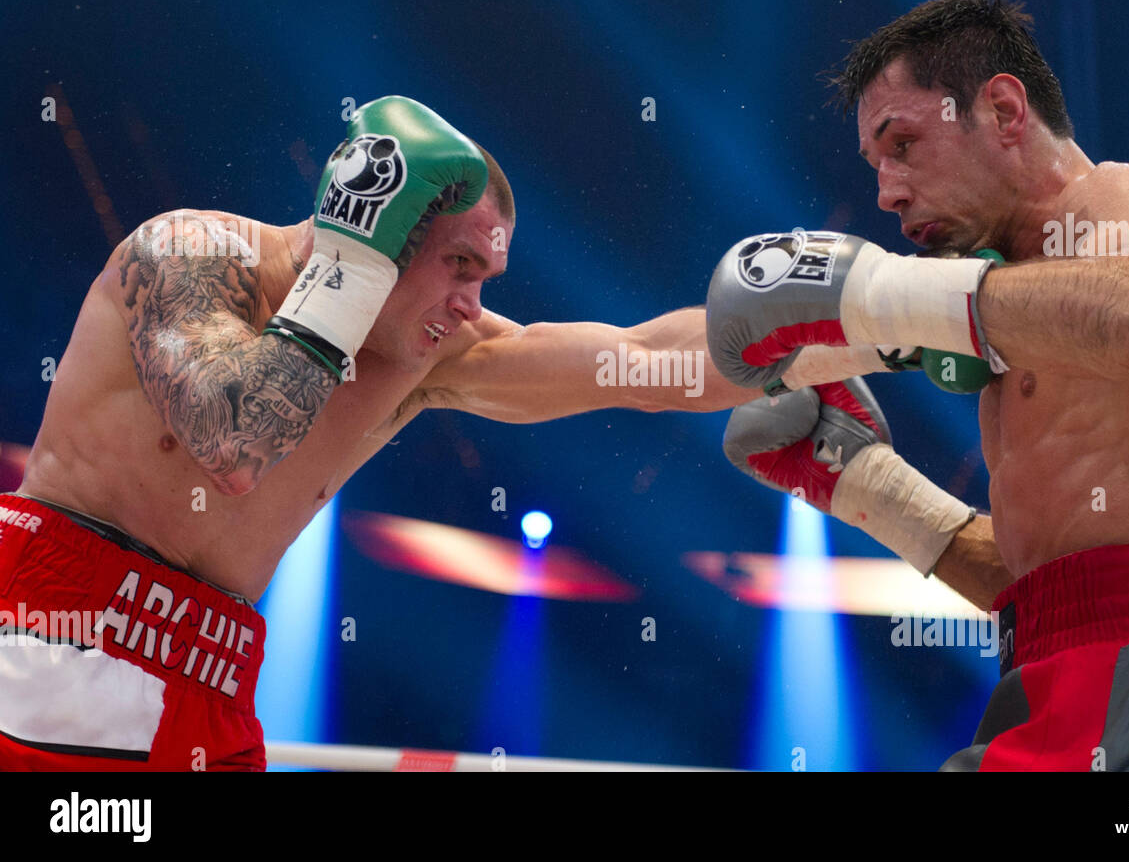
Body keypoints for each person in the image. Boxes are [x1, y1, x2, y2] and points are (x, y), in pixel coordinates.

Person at [1, 95, 774, 771]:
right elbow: (235, 445)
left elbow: (644, 363)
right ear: (372, 229)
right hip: (56, 634)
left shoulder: (424, 353)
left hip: (215, 678)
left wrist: (864, 317)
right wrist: (351, 269)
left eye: (483, 280)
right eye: (459, 264)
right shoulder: (190, 255)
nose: (470, 303)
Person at [707, 0, 1129, 771]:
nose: (887, 191)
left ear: (1005, 109)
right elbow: (1049, 588)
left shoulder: (1116, 200)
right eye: (875, 165)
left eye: (903, 144)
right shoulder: (1003, 319)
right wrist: (872, 488)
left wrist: (886, 295)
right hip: (1096, 687)